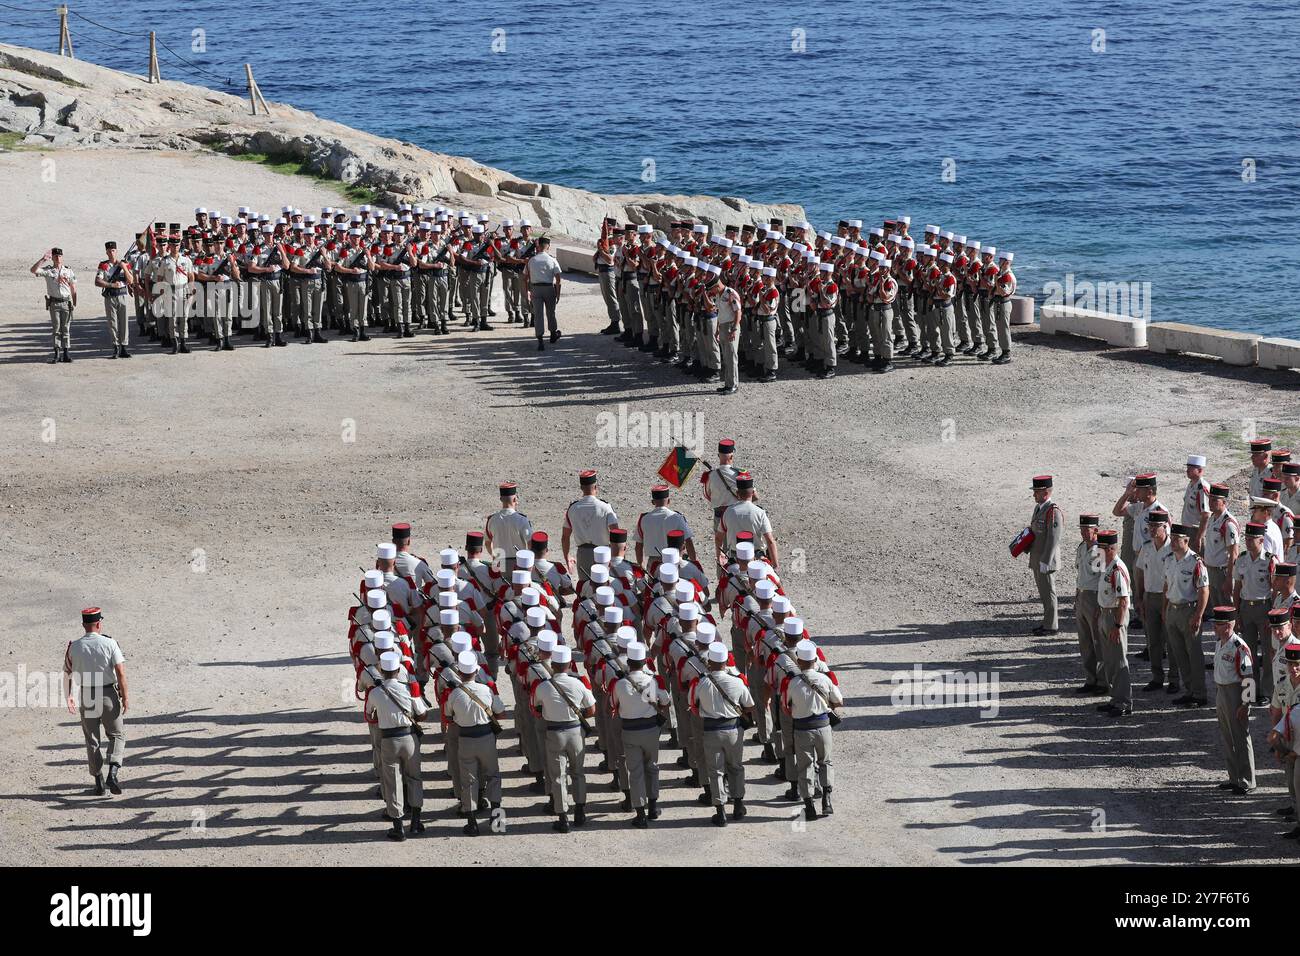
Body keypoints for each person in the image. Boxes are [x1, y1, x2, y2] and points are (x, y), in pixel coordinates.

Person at [364, 650, 429, 841]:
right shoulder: (408, 689)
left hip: (388, 740)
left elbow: (369, 715)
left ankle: (398, 827)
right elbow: (423, 714)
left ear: (381, 671)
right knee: (414, 778)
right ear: (398, 670)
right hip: (409, 738)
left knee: (392, 781)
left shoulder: (375, 692)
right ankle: (416, 823)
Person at [62, 608, 128, 795]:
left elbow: (66, 672)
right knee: (117, 735)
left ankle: (98, 782)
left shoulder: (74, 646)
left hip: (87, 696)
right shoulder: (110, 643)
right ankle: (113, 772)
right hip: (108, 694)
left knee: (92, 740)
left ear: (84, 625)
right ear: (99, 624)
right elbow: (121, 673)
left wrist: (69, 697)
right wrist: (125, 696)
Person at [530, 643, 595, 833]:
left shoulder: (543, 686)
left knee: (558, 776)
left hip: (554, 733)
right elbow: (591, 710)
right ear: (569, 664)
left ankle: (562, 816)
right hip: (575, 731)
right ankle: (580, 811)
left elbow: (535, 709)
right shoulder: (578, 683)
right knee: (578, 772)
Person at [690, 640, 755, 826]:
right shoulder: (737, 681)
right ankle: (738, 806)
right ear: (726, 662)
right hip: (733, 729)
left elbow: (693, 707)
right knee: (735, 767)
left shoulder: (701, 683)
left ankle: (721, 811)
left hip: (711, 730)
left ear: (709, 661)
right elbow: (750, 706)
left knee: (715, 771)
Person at [445, 650, 506, 836]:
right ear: (476, 671)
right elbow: (501, 712)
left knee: (468, 781)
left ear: (460, 672)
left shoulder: (454, 694)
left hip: (465, 739)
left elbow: (449, 717)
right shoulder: (486, 689)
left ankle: (472, 824)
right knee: (493, 776)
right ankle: (497, 822)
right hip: (486, 737)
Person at [610, 641, 670, 827]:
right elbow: (665, 701)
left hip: (629, 730)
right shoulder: (652, 681)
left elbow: (612, 706)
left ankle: (640, 813)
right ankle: (653, 806)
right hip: (651, 729)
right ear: (644, 662)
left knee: (635, 772)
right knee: (652, 767)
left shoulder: (619, 684)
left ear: (628, 662)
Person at [782, 638, 842, 821]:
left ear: (799, 661)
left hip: (801, 730)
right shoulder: (824, 679)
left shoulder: (792, 683)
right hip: (823, 727)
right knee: (825, 762)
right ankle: (827, 800)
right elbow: (839, 701)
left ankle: (809, 806)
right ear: (815, 661)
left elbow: (786, 707)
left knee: (805, 767)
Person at [1211, 606, 1256, 794]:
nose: (1215, 628)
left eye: (1219, 624)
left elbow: (1249, 679)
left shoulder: (1240, 647)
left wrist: (1245, 705)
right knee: (1228, 737)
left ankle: (1247, 781)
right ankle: (1234, 777)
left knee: (1240, 736)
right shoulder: (1219, 643)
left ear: (1229, 625)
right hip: (1222, 691)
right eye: (1215, 624)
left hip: (1235, 693)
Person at [1164, 522, 1209, 708]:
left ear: (1186, 541)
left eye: (1176, 539)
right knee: (1179, 653)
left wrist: (1198, 615)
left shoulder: (1195, 562)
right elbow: (1166, 586)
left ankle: (1199, 694)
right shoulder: (1168, 559)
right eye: (1172, 539)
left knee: (1194, 654)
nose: (1173, 542)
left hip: (1188, 610)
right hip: (1172, 609)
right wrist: (1164, 609)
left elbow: (1204, 590)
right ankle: (1189, 690)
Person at [1134, 508, 1177, 693]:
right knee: (1153, 640)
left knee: (1171, 640)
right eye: (1150, 526)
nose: (1151, 530)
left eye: (1155, 526)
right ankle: (1157, 676)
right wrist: (1139, 596)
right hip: (1150, 596)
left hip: (1168, 598)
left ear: (1165, 527)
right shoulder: (1146, 547)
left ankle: (1174, 679)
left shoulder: (1173, 548)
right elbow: (1140, 572)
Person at [1096, 529, 1133, 718]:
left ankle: (1124, 702)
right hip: (1106, 613)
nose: (1097, 552)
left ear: (1110, 549)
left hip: (1114, 615)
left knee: (1118, 660)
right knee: (1110, 660)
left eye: (1100, 548)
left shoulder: (1117, 569)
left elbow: (1124, 601)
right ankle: (1115, 699)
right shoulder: (1106, 565)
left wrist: (1117, 626)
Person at [562, 470, 618, 582]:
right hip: (603, 553)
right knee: (603, 587)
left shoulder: (573, 508)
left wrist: (567, 557)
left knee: (586, 586)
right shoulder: (605, 507)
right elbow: (616, 533)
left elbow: (565, 536)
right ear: (596, 487)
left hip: (583, 553)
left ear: (581, 488)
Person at [1074, 514, 1107, 695]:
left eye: (1088, 529)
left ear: (1096, 530)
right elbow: (1079, 575)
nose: (1084, 533)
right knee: (1085, 641)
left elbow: (1103, 579)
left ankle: (1102, 681)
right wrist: (1076, 597)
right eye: (1082, 529)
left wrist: (1101, 605)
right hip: (1082, 596)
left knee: (1098, 641)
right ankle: (1090, 678)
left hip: (1095, 597)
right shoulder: (1081, 548)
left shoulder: (1099, 551)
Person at [1028, 475, 1062, 635]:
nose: (1034, 494)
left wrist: (1046, 560)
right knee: (1043, 592)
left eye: (1036, 492)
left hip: (1045, 560)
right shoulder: (1039, 508)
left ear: (1045, 493)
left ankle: (1052, 625)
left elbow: (1053, 539)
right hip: (1037, 557)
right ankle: (1047, 622)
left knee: (1049, 592)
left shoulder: (1053, 512)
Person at [30, 247, 77, 364]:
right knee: (56, 329)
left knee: (66, 328)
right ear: (53, 258)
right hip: (54, 303)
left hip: (66, 302)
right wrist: (43, 259)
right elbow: (33, 270)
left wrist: (74, 302)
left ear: (62, 257)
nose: (58, 258)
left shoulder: (68, 271)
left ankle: (66, 353)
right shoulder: (49, 271)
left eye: (60, 256)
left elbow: (73, 287)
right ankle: (56, 353)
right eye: (55, 256)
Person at [94, 241, 135, 359]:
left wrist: (124, 268)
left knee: (124, 322)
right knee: (113, 323)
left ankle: (124, 347)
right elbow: (97, 281)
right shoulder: (104, 265)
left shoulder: (124, 264)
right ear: (106, 252)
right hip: (110, 295)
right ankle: (116, 346)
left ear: (116, 251)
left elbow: (131, 280)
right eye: (109, 251)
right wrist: (111, 285)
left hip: (122, 295)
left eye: (113, 250)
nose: (111, 253)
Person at [523, 237, 563, 350]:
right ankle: (553, 334)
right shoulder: (552, 260)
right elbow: (558, 279)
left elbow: (525, 278)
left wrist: (527, 291)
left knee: (538, 315)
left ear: (538, 246)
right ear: (548, 246)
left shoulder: (532, 260)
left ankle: (540, 339)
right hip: (549, 288)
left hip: (535, 289)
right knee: (551, 312)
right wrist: (558, 293)